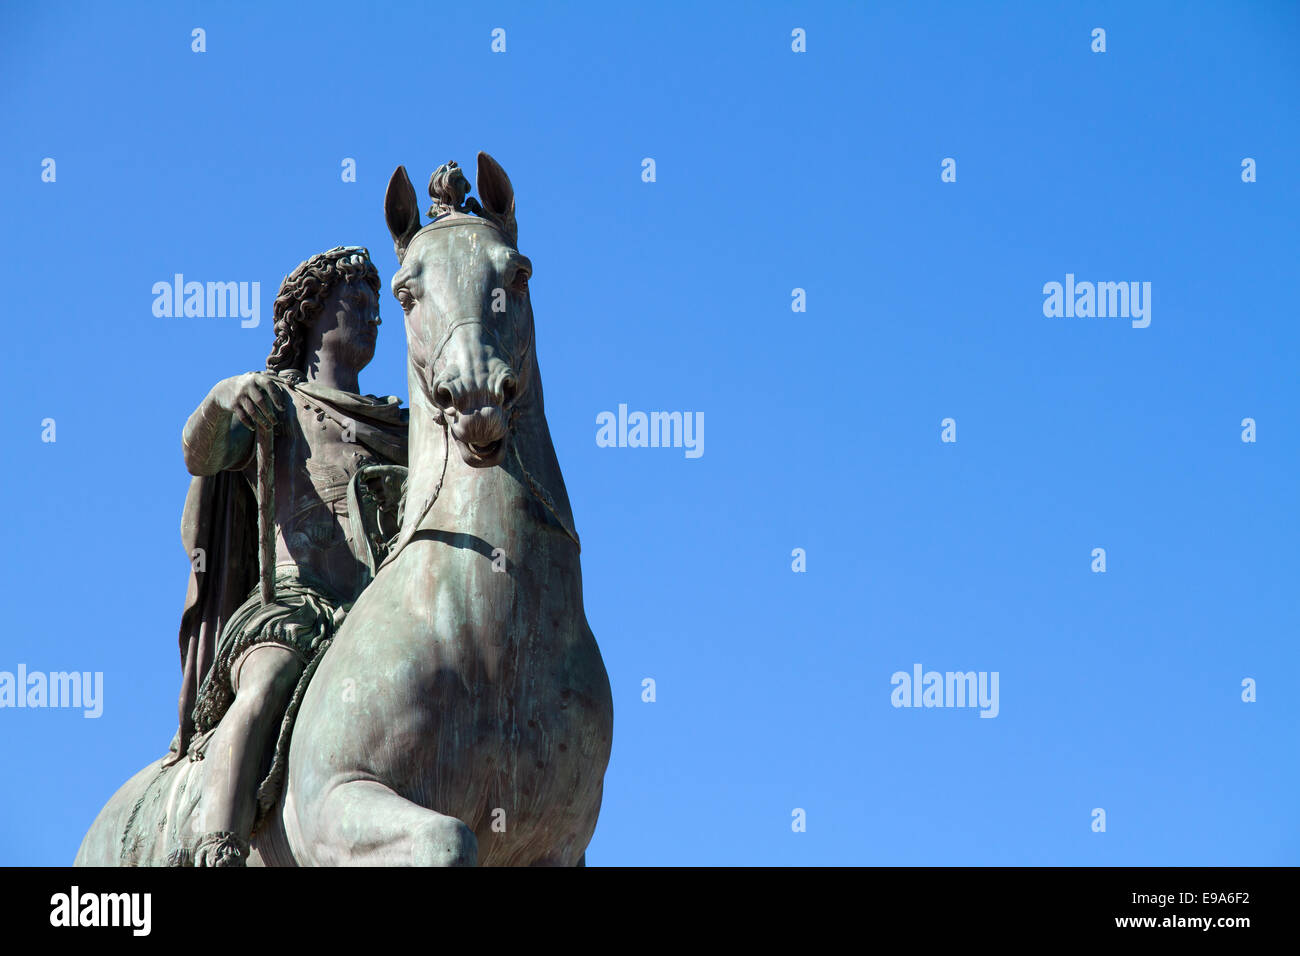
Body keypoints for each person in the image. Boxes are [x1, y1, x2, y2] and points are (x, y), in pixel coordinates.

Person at [163, 246, 408, 866]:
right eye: (356, 303)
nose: (372, 317)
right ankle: (219, 842)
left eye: (377, 307)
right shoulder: (274, 402)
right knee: (267, 680)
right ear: (313, 317)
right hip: (293, 605)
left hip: (382, 610)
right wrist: (223, 397)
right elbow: (199, 453)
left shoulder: (404, 427)